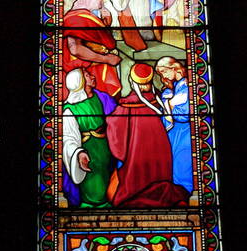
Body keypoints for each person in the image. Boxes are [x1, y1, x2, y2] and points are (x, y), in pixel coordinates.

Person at [105, 62, 189, 208]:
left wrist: (110, 119)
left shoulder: (126, 106)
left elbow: (115, 130)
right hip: (161, 149)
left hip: (135, 153)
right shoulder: (159, 102)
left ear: (132, 82)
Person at [61, 67, 116, 208]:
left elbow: (116, 118)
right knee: (94, 184)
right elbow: (69, 138)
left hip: (107, 147)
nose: (92, 76)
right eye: (87, 75)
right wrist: (79, 153)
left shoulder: (102, 98)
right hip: (88, 150)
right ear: (80, 82)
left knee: (109, 178)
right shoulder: (70, 108)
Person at [155, 56, 194, 196]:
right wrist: (168, 101)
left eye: (164, 72)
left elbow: (183, 114)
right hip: (174, 133)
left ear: (173, 68)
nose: (163, 76)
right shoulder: (176, 86)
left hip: (185, 132)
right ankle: (177, 195)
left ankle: (185, 194)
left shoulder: (187, 86)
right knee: (173, 163)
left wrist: (169, 103)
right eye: (160, 74)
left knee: (182, 164)